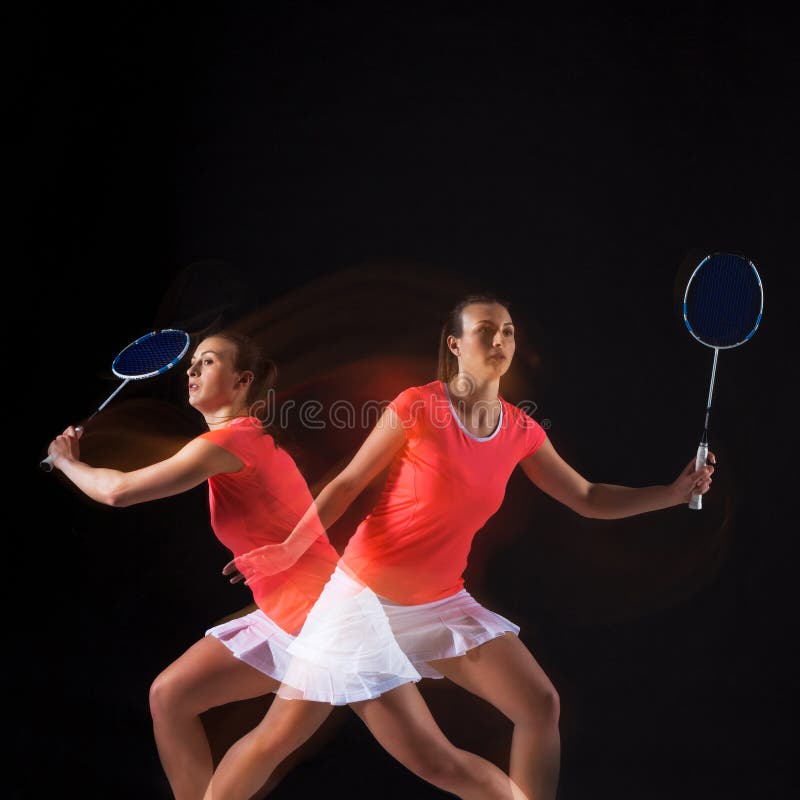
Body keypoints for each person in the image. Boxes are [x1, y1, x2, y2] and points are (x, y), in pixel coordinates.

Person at [208, 294, 715, 800]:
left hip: (440, 601)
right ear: (455, 344)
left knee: (540, 705)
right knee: (289, 740)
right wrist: (292, 549)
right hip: (361, 602)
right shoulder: (418, 404)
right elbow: (346, 484)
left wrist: (672, 495)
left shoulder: (520, 431)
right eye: (485, 330)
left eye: (508, 331)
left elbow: (588, 497)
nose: (499, 341)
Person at [46, 332, 340, 800]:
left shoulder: (231, 442)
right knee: (171, 696)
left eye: (207, 362)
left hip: (324, 618)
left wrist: (65, 462)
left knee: (426, 755)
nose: (191, 370)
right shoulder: (241, 439)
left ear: (243, 381)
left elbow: (117, 491)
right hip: (291, 613)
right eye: (193, 364)